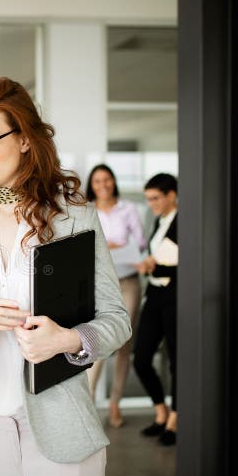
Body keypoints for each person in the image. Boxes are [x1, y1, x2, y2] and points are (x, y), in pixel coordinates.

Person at [0, 77, 131, 476]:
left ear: (25, 138)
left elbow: (117, 320)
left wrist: (66, 339)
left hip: (61, 416)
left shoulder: (75, 216)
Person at [84, 164, 147, 427]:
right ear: (92, 184)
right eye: (98, 181)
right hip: (99, 283)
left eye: (107, 179)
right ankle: (87, 405)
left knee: (124, 343)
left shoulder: (128, 209)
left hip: (128, 281)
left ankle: (114, 404)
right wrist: (103, 246)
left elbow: (141, 243)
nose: (103, 184)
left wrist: (116, 246)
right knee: (96, 341)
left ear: (113, 182)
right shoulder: (86, 210)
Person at [133, 173, 179, 446]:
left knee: (176, 361)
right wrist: (149, 264)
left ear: (171, 194)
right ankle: (160, 410)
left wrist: (154, 266)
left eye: (155, 198)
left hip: (175, 297)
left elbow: (191, 265)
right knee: (141, 358)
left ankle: (175, 419)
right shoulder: (160, 221)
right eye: (148, 199)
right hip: (155, 295)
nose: (151, 203)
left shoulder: (185, 221)